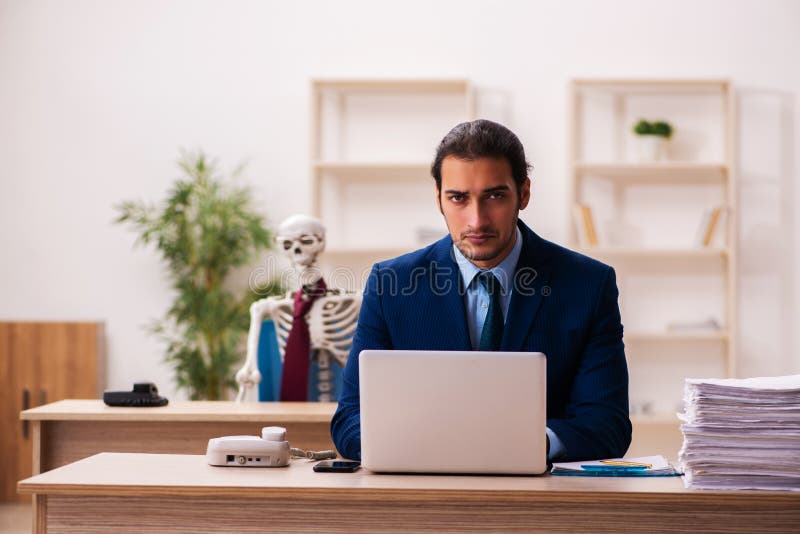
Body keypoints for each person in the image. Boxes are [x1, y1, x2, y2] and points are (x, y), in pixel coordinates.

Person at [331, 119, 631, 462]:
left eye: (495, 196)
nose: (476, 220)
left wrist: (524, 445)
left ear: (524, 193)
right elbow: (349, 420)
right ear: (439, 199)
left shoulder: (588, 285)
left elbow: (608, 425)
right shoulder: (390, 285)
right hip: (422, 497)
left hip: (543, 502)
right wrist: (431, 447)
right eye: (458, 198)